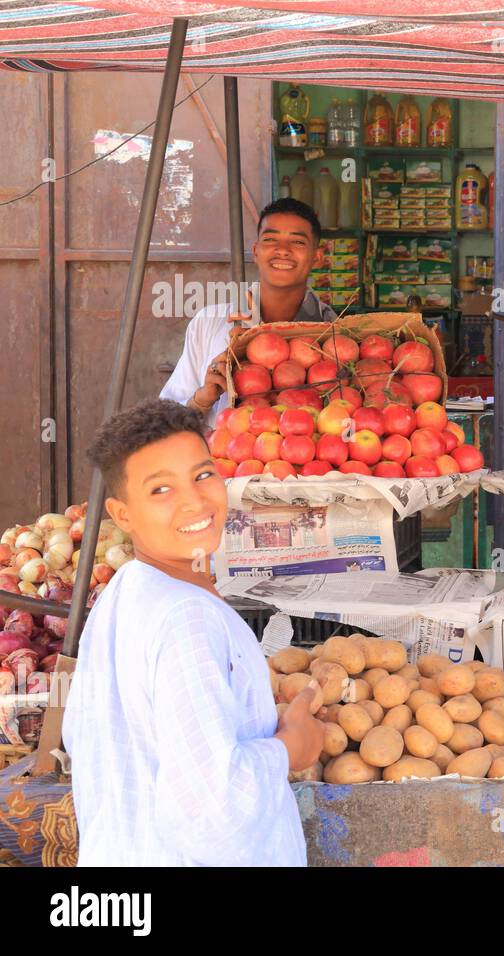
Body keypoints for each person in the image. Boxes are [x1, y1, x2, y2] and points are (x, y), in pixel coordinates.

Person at [64, 399, 324, 866]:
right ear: (122, 515)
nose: (195, 501)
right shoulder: (186, 616)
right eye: (161, 488)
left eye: (203, 475)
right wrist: (291, 748)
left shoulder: (126, 591)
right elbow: (210, 811)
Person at [160, 198, 337, 427]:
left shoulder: (333, 333)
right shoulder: (210, 323)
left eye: (297, 242)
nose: (282, 250)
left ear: (317, 257)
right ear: (256, 251)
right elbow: (164, 420)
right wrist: (203, 399)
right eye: (270, 239)